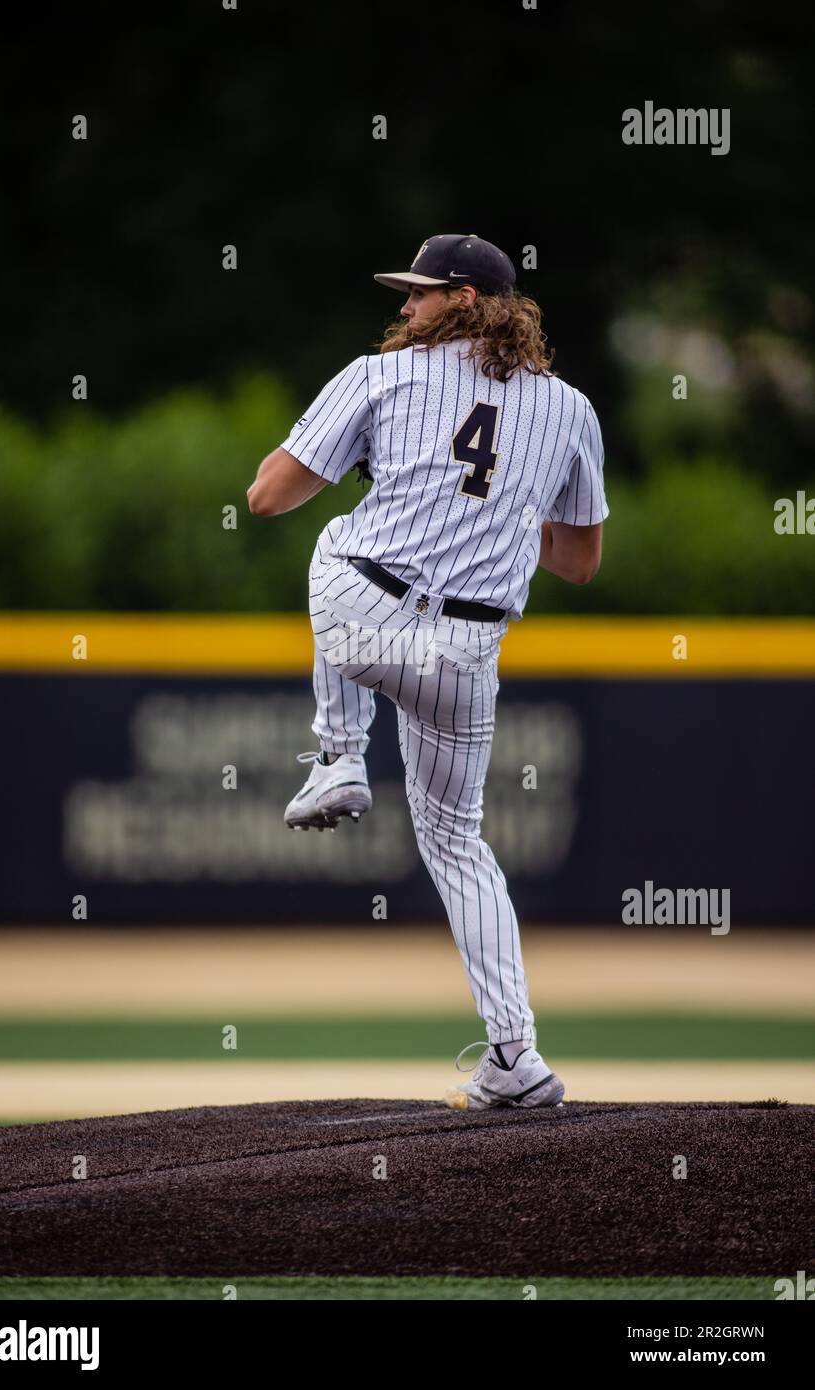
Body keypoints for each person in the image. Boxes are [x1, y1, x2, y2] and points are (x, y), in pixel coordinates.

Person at [247, 234, 608, 1110]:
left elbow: (267, 496)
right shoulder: (570, 408)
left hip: (369, 621)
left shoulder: (377, 376)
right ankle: (516, 1056)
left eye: (418, 293)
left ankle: (336, 755)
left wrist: (379, 471)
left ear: (463, 299)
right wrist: (506, 510)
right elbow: (577, 564)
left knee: (335, 536)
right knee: (458, 844)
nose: (403, 307)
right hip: (467, 660)